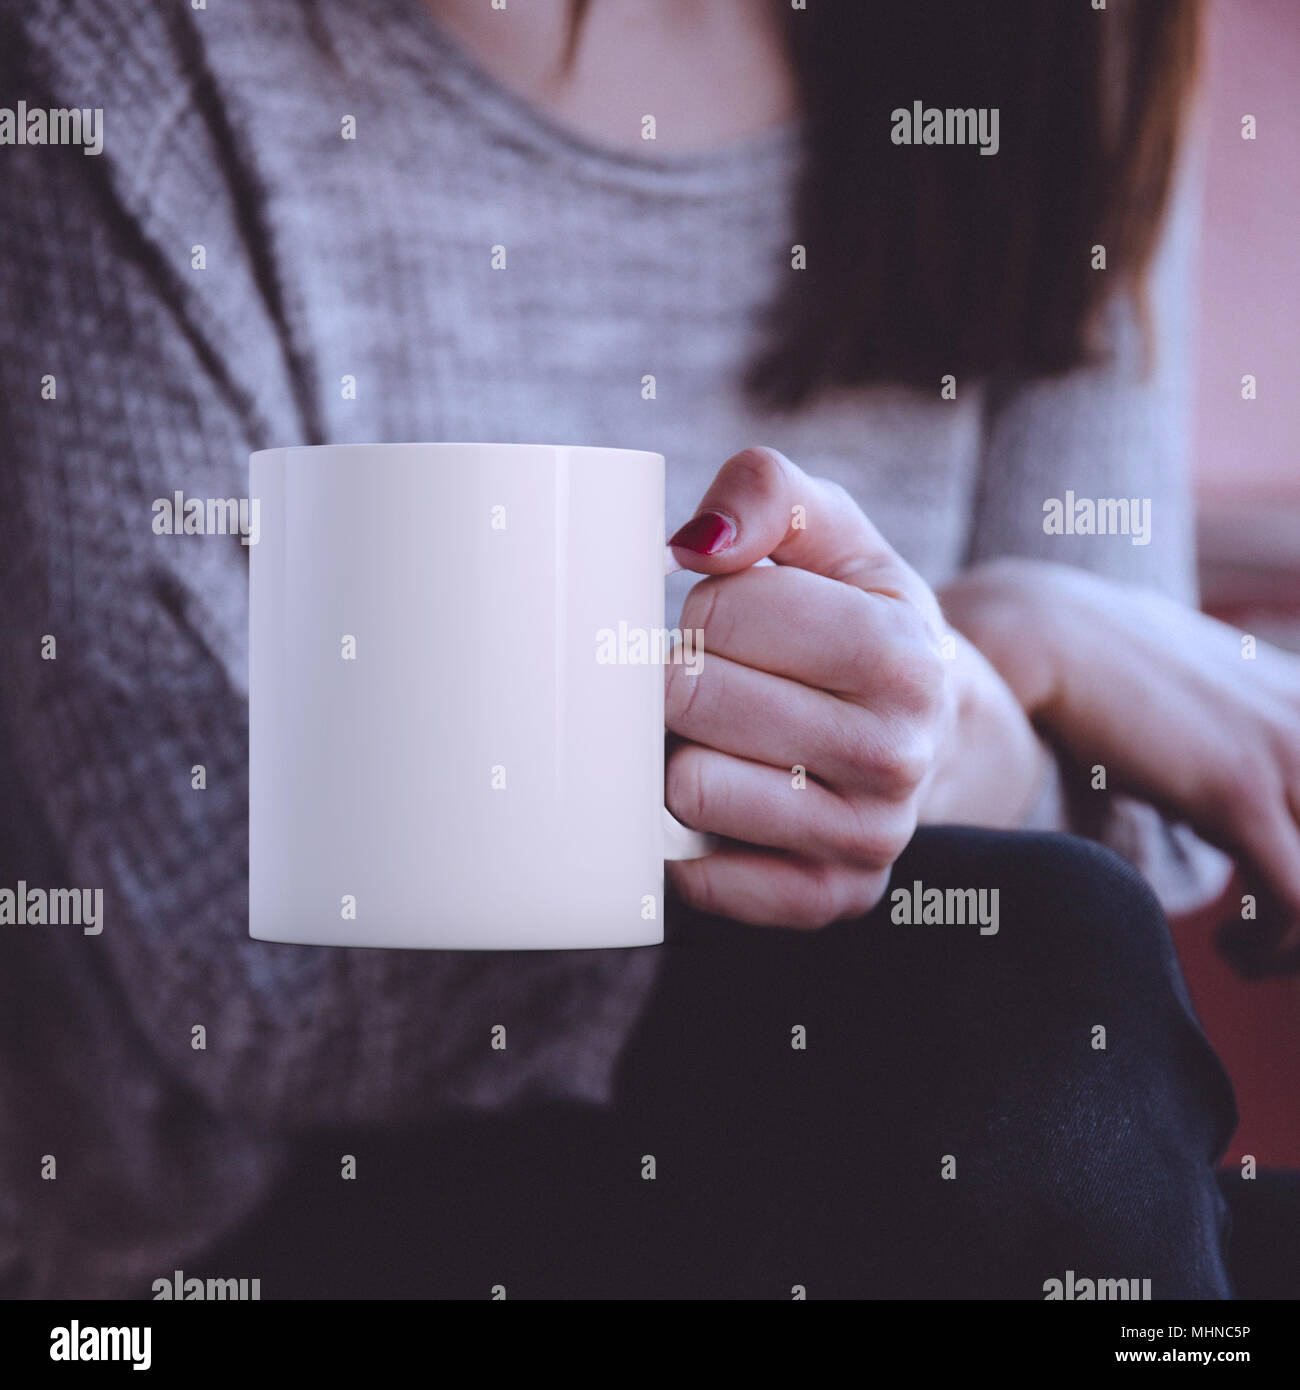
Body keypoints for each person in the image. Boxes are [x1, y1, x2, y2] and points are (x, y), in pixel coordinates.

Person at [0, 0, 1293, 1298]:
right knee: (1034, 979)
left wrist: (956, 708)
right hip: (255, 1216)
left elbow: (1130, 815)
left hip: (912, 1124)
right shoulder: (128, 54)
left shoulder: (1060, 40)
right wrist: (1009, 652)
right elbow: (238, 988)